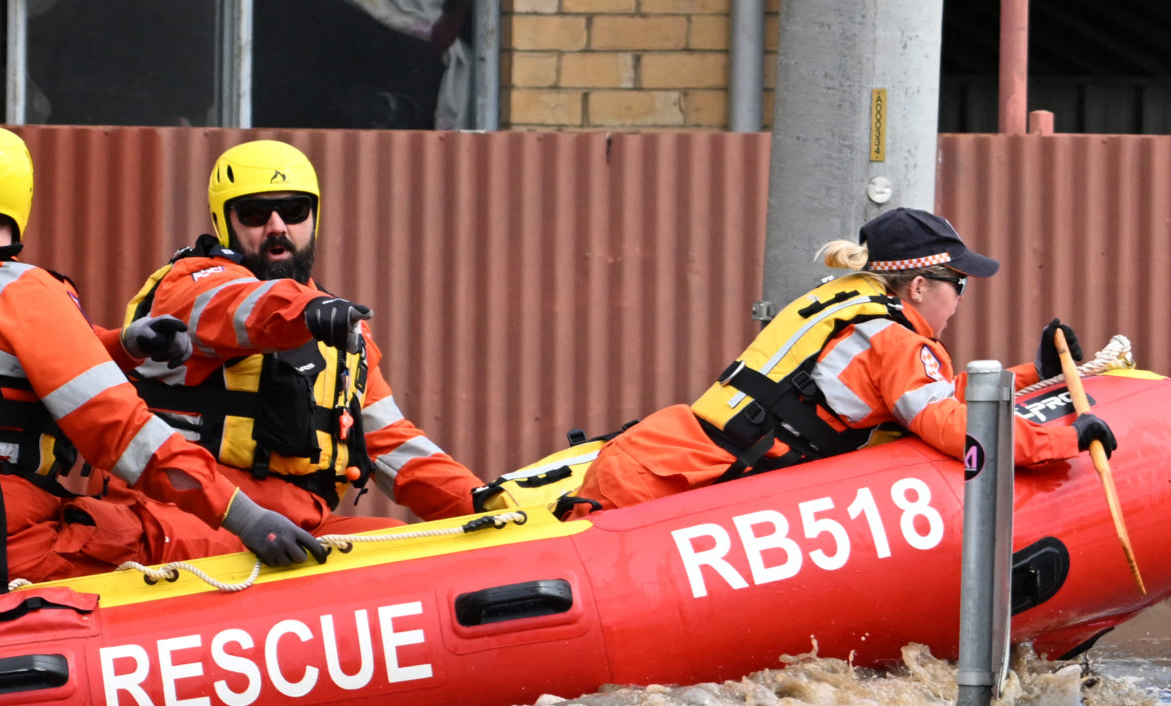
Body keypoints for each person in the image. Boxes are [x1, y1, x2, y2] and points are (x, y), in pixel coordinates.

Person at [0, 125, 354, 599]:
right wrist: (244, 518)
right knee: (162, 537)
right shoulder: (18, 286)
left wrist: (124, 344)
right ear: (23, 197)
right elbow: (120, 430)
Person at [568, 207, 1120, 513]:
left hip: (656, 461)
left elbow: (926, 396)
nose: (959, 299)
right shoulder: (895, 339)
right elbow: (953, 428)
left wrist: (1032, 375)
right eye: (959, 284)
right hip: (667, 485)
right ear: (922, 285)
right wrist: (1063, 440)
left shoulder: (857, 310)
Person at [121, 139, 482, 534]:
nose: (277, 226)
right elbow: (240, 306)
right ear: (223, 222)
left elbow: (394, 445)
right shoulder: (189, 285)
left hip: (301, 525)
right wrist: (305, 311)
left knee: (415, 551)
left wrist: (488, 505)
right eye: (255, 213)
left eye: (294, 210)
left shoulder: (338, 325)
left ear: (314, 216)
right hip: (187, 519)